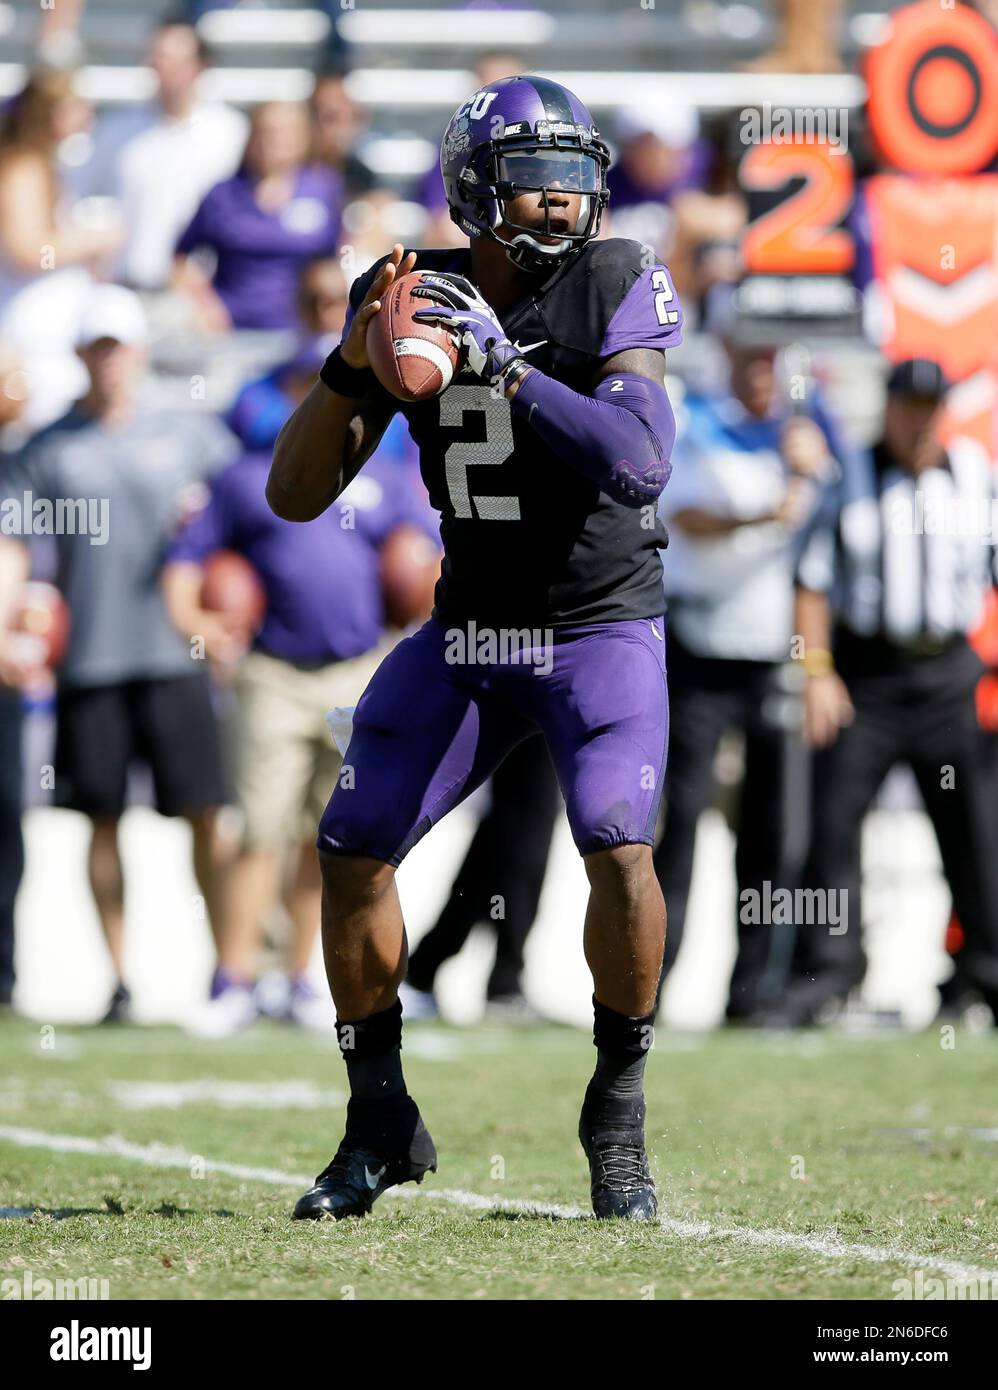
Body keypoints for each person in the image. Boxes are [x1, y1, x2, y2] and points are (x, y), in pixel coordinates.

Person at [269, 74, 682, 1222]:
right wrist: (356, 359)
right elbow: (295, 491)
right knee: (351, 846)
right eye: (532, 185)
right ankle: (377, 1120)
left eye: (571, 184)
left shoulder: (615, 277)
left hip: (598, 622)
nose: (558, 207)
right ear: (471, 191)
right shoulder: (413, 289)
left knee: (617, 847)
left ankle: (617, 1112)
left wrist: (505, 366)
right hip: (470, 625)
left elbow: (639, 461)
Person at [163, 347, 439, 1038]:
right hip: (273, 673)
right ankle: (232, 978)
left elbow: (423, 560)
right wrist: (201, 626)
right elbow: (185, 567)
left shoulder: (383, 471)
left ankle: (297, 978)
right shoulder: (245, 476)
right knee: (258, 831)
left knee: (331, 837)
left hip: (355, 669)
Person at [0, 285, 237, 1022]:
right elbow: (14, 546)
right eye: (95, 346)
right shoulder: (44, 449)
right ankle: (120, 978)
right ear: (79, 354)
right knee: (99, 817)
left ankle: (227, 974)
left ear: (137, 351)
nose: (108, 360)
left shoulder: (191, 436)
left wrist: (224, 613)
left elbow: (242, 520)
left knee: (205, 811)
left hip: (175, 655)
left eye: (118, 346)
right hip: (90, 661)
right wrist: (12, 623)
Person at [770, 359, 998, 1026]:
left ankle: (982, 975)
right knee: (834, 828)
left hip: (949, 677)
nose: (918, 418)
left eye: (931, 405)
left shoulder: (977, 476)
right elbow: (811, 578)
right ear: (890, 407)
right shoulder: (850, 476)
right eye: (908, 404)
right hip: (866, 677)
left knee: (975, 832)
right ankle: (830, 975)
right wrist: (816, 672)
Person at [654, 333, 842, 1020]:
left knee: (770, 831)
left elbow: (823, 547)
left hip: (770, 652)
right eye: (752, 362)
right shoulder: (696, 419)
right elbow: (685, 516)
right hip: (699, 644)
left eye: (771, 365)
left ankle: (752, 989)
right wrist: (766, 509)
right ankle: (650, 984)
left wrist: (819, 469)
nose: (761, 376)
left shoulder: (802, 435)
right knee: (677, 824)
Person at [401, 734, 560, 1022]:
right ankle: (500, 982)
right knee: (526, 820)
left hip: (534, 701)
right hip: (537, 698)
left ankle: (426, 969)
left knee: (512, 823)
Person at [81, 20, 248, 292]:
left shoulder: (232, 132)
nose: (162, 68)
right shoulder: (116, 130)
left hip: (201, 295)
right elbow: (79, 197)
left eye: (173, 60)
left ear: (200, 66)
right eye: (157, 57)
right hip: (123, 286)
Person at [0, 69, 119, 428]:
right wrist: (94, 239)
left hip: (50, 335)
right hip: (27, 338)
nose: (87, 116)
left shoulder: (44, 166)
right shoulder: (23, 167)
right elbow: (26, 248)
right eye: (77, 106)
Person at [174, 102, 342, 333]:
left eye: (285, 132)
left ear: (305, 137)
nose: (274, 141)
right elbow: (181, 259)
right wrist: (204, 304)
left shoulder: (323, 190)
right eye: (266, 131)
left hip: (299, 331)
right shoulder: (223, 195)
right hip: (230, 327)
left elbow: (335, 259)